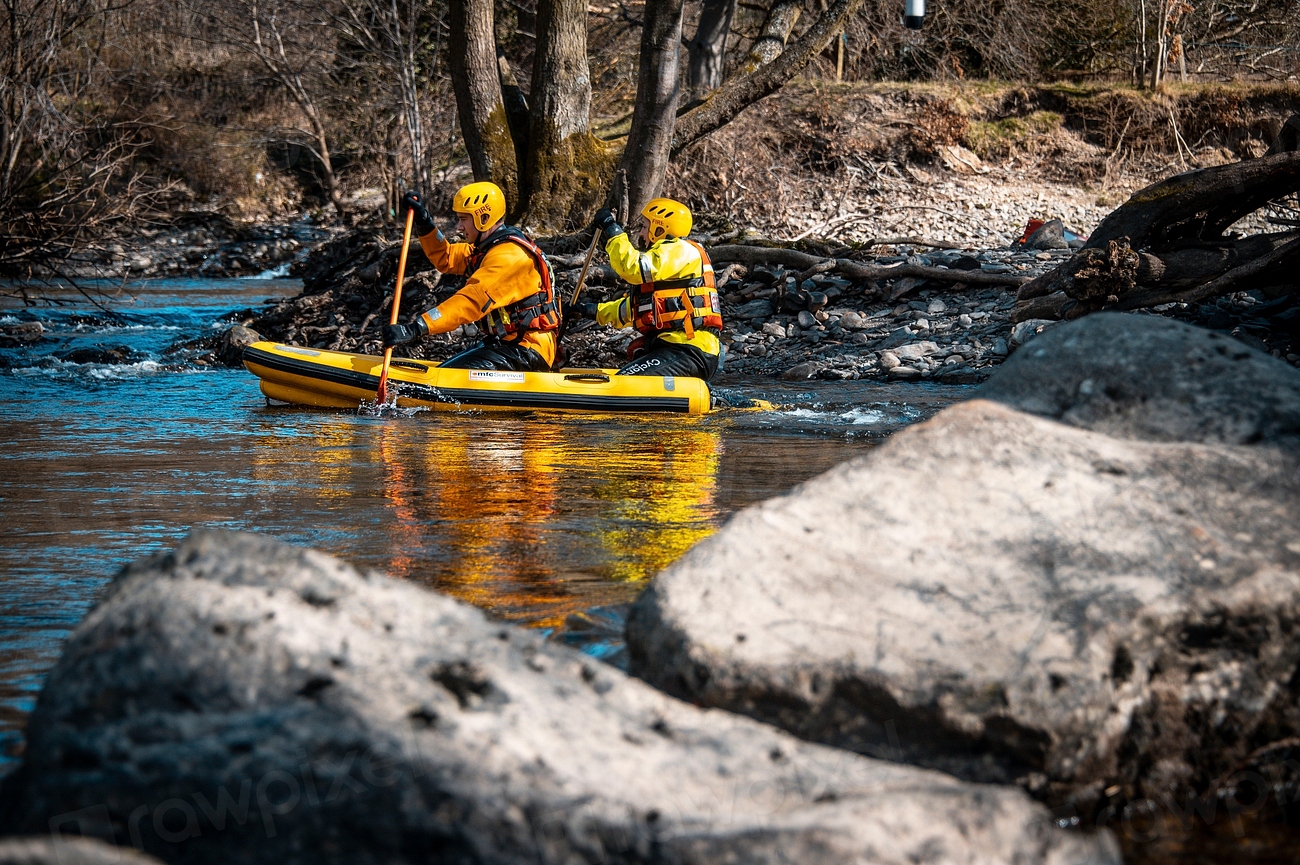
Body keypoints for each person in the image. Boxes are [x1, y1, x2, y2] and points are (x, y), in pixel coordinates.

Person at [382, 183, 560, 371]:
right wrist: (425, 223)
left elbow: (470, 301)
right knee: (446, 370)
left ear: (483, 218)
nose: (459, 227)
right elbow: (446, 256)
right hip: (508, 344)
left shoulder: (510, 257)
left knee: (449, 377)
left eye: (463, 219)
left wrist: (417, 327)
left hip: (528, 350)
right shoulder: (487, 249)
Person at [569, 198, 723, 381]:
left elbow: (633, 268)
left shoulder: (680, 251)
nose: (641, 233)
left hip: (689, 350)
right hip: (675, 348)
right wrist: (590, 311)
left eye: (644, 226)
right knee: (625, 374)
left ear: (660, 228)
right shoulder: (668, 262)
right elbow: (635, 309)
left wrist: (612, 231)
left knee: (625, 382)